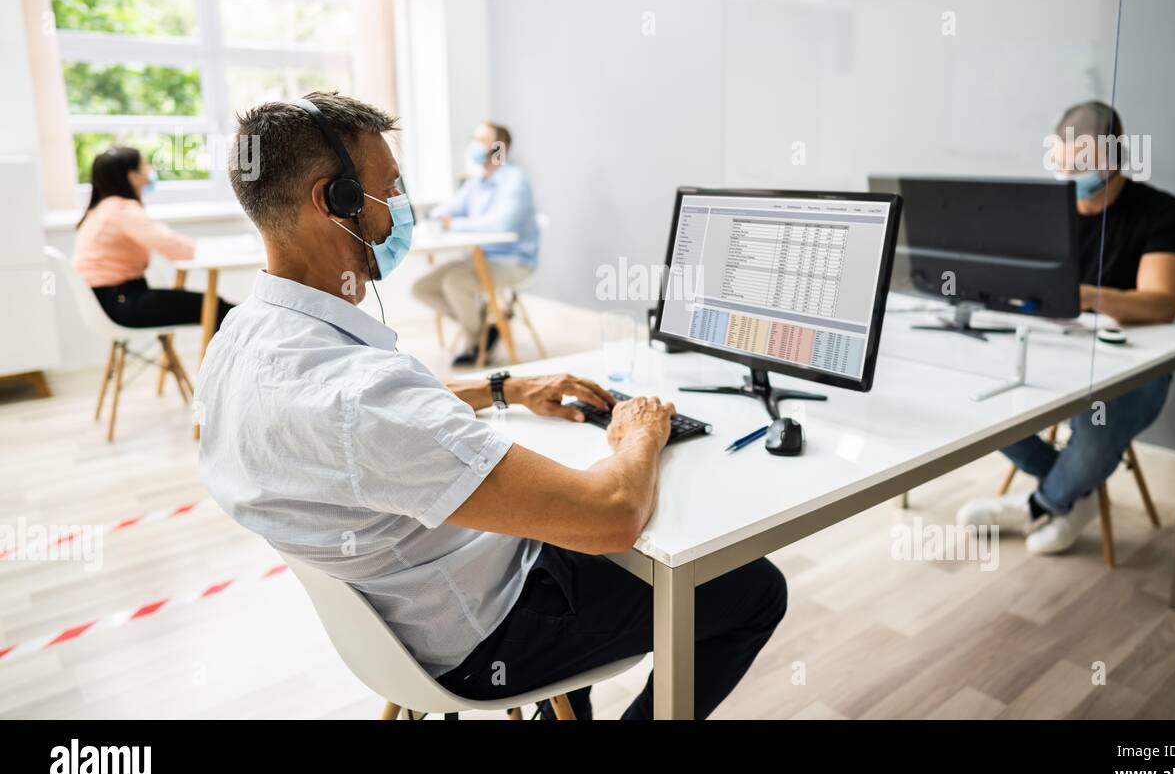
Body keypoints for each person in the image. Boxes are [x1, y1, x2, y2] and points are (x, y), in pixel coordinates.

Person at [194, 93, 785, 719]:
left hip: (393, 624)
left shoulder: (240, 339)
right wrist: (641, 432)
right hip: (482, 636)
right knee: (752, 589)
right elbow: (611, 516)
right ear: (331, 199)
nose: (400, 206)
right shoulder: (365, 399)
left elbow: (344, 433)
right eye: (388, 187)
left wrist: (501, 388)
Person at [958, 101, 1175, 554]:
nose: (1069, 175)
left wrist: (1082, 294)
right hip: (1049, 348)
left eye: (1081, 164)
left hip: (1132, 365)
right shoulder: (1046, 212)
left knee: (1099, 422)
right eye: (1062, 163)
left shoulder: (1160, 211)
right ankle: (1072, 492)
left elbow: (1162, 304)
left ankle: (1037, 505)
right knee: (977, 396)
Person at [413, 121, 540, 366]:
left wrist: (453, 224)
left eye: (482, 140)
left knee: (455, 282)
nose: (474, 145)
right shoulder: (477, 182)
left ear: (499, 147)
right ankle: (486, 329)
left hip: (513, 260)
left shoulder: (514, 180)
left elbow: (500, 225)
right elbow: (449, 208)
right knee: (422, 287)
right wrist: (436, 216)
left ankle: (475, 343)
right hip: (481, 258)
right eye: (475, 139)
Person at [72, 146, 235, 329]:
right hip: (123, 302)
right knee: (220, 309)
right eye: (145, 165)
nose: (150, 170)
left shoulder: (99, 209)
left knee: (212, 306)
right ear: (133, 176)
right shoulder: (122, 211)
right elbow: (175, 247)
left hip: (106, 303)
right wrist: (219, 250)